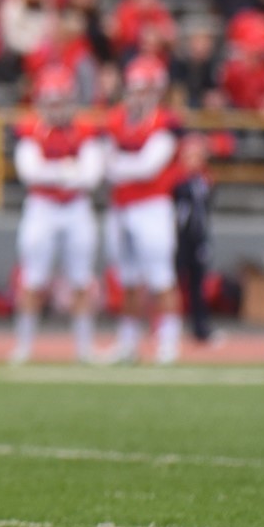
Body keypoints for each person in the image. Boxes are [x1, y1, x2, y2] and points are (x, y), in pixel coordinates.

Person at [10, 67, 102, 366]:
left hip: (75, 207)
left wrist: (55, 173)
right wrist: (67, 170)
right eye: (52, 102)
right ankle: (23, 345)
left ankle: (84, 347)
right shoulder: (31, 130)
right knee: (32, 278)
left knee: (81, 278)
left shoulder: (85, 130)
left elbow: (91, 175)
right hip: (42, 207)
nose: (57, 109)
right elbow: (29, 172)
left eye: (61, 102)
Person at [102, 56, 184, 365]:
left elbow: (149, 166)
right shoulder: (117, 118)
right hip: (122, 207)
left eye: (146, 90)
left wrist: (118, 166)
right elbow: (105, 164)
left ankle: (169, 342)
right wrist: (122, 167)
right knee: (128, 279)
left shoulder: (165, 122)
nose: (139, 96)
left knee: (161, 276)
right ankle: (128, 342)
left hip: (153, 206)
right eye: (136, 89)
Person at [171, 135, 215, 344]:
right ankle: (166, 327)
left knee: (198, 286)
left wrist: (205, 240)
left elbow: (204, 214)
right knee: (170, 283)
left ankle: (200, 329)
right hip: (178, 238)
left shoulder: (205, 180)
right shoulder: (176, 179)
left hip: (197, 238)